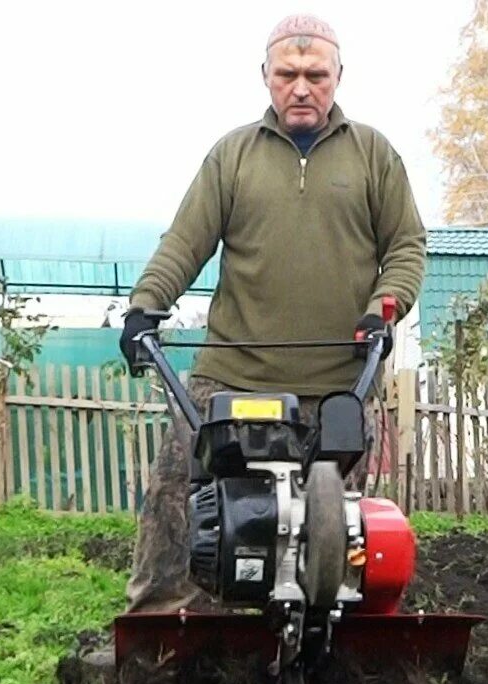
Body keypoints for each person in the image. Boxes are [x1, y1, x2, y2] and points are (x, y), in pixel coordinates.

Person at [118, 12, 426, 616]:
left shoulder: (373, 155)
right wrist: (145, 307)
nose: (302, 87)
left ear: (339, 76)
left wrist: (380, 314)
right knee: (177, 501)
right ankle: (159, 635)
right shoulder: (233, 156)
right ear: (266, 76)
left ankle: (326, 640)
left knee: (334, 534)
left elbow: (406, 247)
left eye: (316, 74)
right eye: (288, 74)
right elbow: (184, 242)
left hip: (336, 383)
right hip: (229, 377)